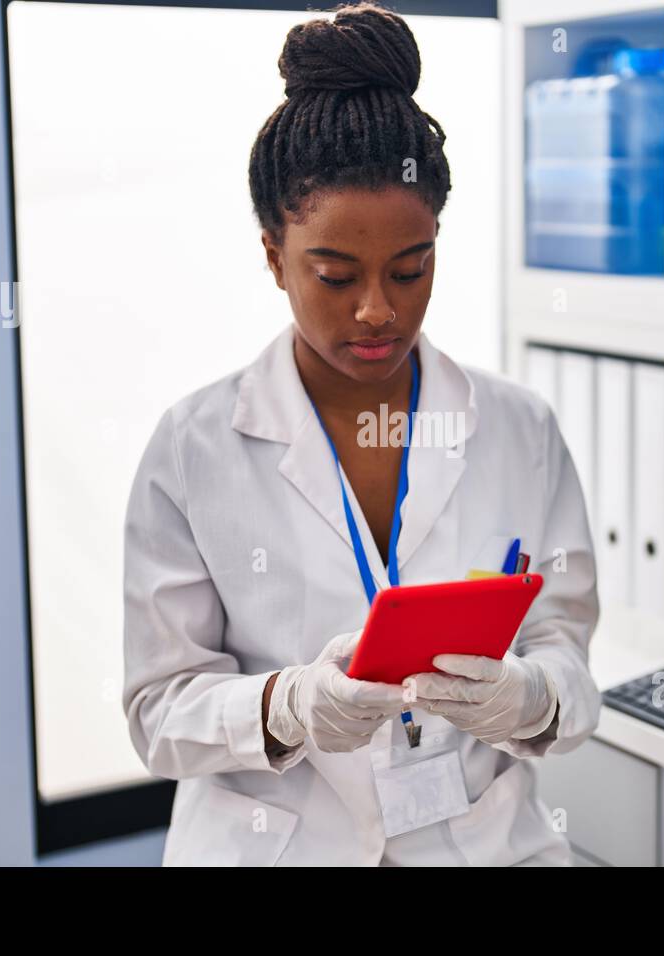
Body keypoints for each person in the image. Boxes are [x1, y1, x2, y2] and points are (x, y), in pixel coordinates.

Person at [122, 1, 600, 866]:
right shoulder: (193, 449)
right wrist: (285, 707)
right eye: (336, 275)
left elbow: (566, 646)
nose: (379, 310)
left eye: (410, 270)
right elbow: (157, 711)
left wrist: (530, 697)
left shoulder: (519, 430)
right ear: (274, 256)